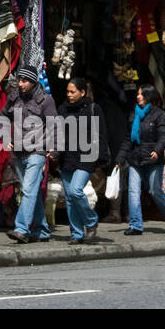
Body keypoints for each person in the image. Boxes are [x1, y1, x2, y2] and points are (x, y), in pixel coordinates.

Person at [114, 84, 165, 235]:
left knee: (155, 191)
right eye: (138, 94)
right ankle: (135, 225)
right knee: (133, 191)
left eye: (141, 94)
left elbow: (164, 135)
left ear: (149, 97)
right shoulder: (134, 114)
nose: (138, 96)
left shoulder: (159, 114)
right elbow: (129, 138)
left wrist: (157, 150)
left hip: (153, 160)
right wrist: (120, 158)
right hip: (135, 159)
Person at [3, 65, 55, 244]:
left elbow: (53, 126)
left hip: (37, 151)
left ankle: (22, 229)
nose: (20, 83)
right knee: (31, 191)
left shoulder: (45, 100)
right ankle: (42, 230)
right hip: (18, 152)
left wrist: (53, 149)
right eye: (19, 80)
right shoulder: (14, 96)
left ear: (33, 82)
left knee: (28, 190)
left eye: (24, 81)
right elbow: (3, 116)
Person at [56, 76, 109, 245]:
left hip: (86, 157)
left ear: (82, 92)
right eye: (67, 92)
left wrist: (101, 158)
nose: (69, 95)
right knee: (70, 198)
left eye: (73, 92)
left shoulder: (93, 109)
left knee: (75, 191)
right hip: (66, 158)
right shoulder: (62, 109)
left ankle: (91, 222)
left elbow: (101, 134)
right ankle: (77, 233)